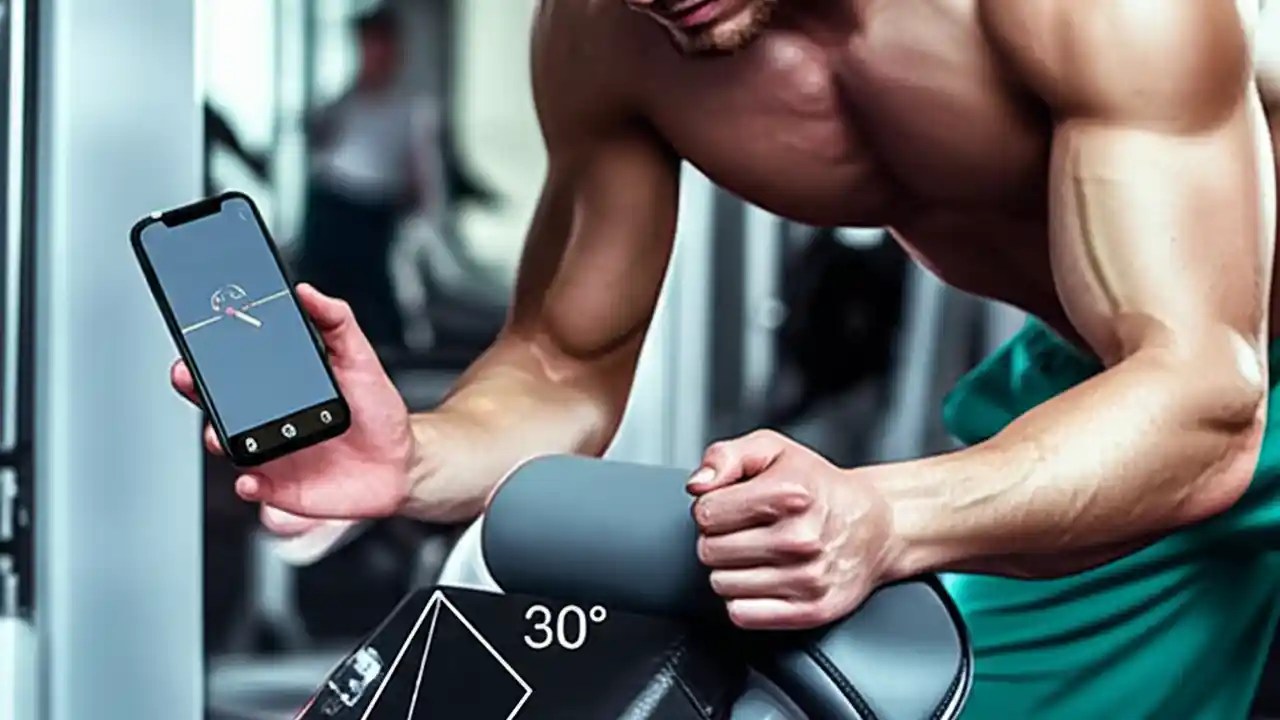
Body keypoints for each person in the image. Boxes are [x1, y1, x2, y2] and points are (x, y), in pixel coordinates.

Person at [173, 0, 1280, 716]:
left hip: (1188, 382)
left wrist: (882, 517)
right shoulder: (605, 37)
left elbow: (1202, 388)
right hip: (1102, 401)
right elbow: (562, 363)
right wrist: (416, 456)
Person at [296, 7, 443, 354]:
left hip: (373, 213)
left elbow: (423, 171)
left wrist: (424, 215)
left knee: (375, 307)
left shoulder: (412, 106)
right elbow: (318, 139)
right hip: (332, 204)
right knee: (317, 295)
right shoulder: (346, 100)